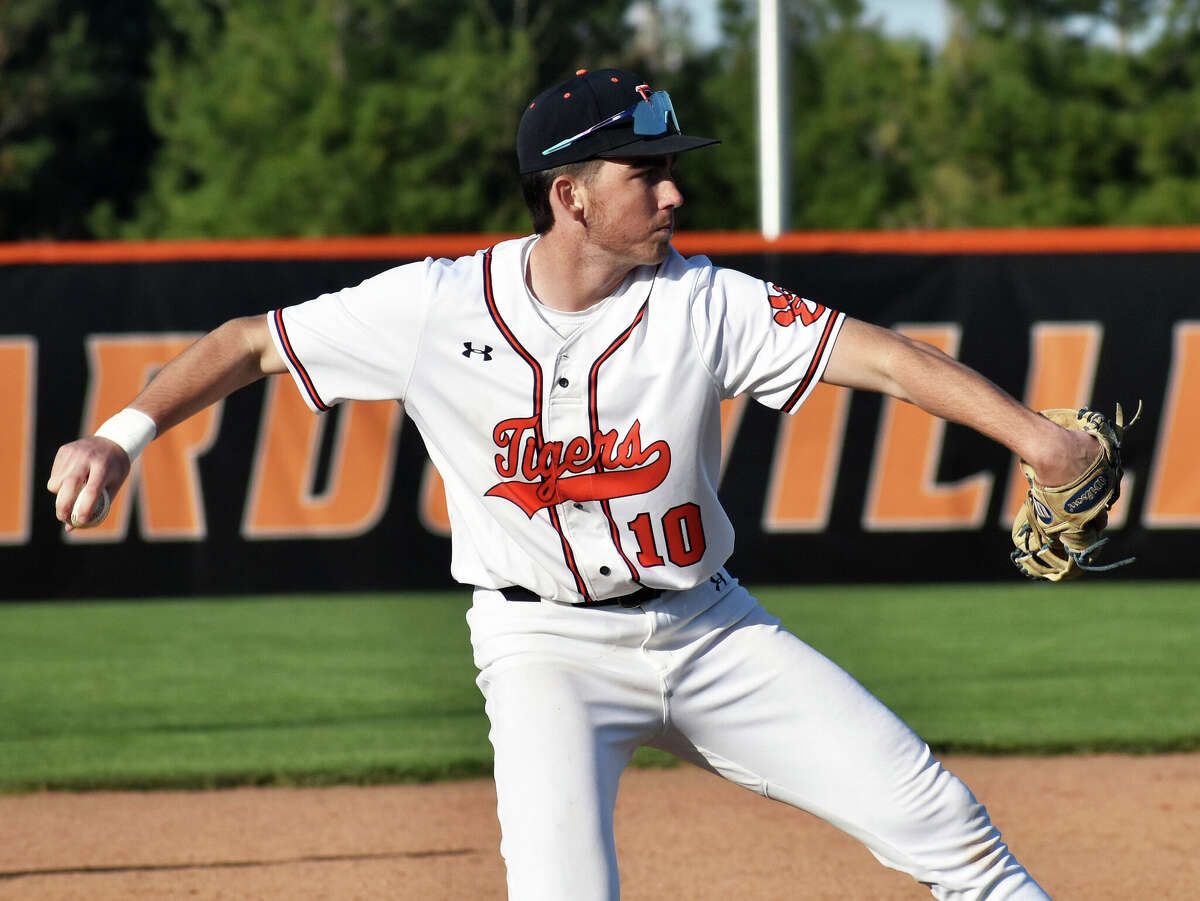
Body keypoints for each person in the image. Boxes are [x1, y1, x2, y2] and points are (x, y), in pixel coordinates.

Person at [49, 68, 1088, 900]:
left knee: (951, 827)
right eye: (646, 172)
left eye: (671, 166)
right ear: (569, 195)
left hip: (710, 630)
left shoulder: (705, 302)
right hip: (542, 647)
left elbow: (890, 358)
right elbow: (248, 344)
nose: (675, 190)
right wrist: (120, 435)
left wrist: (1037, 439)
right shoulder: (435, 306)